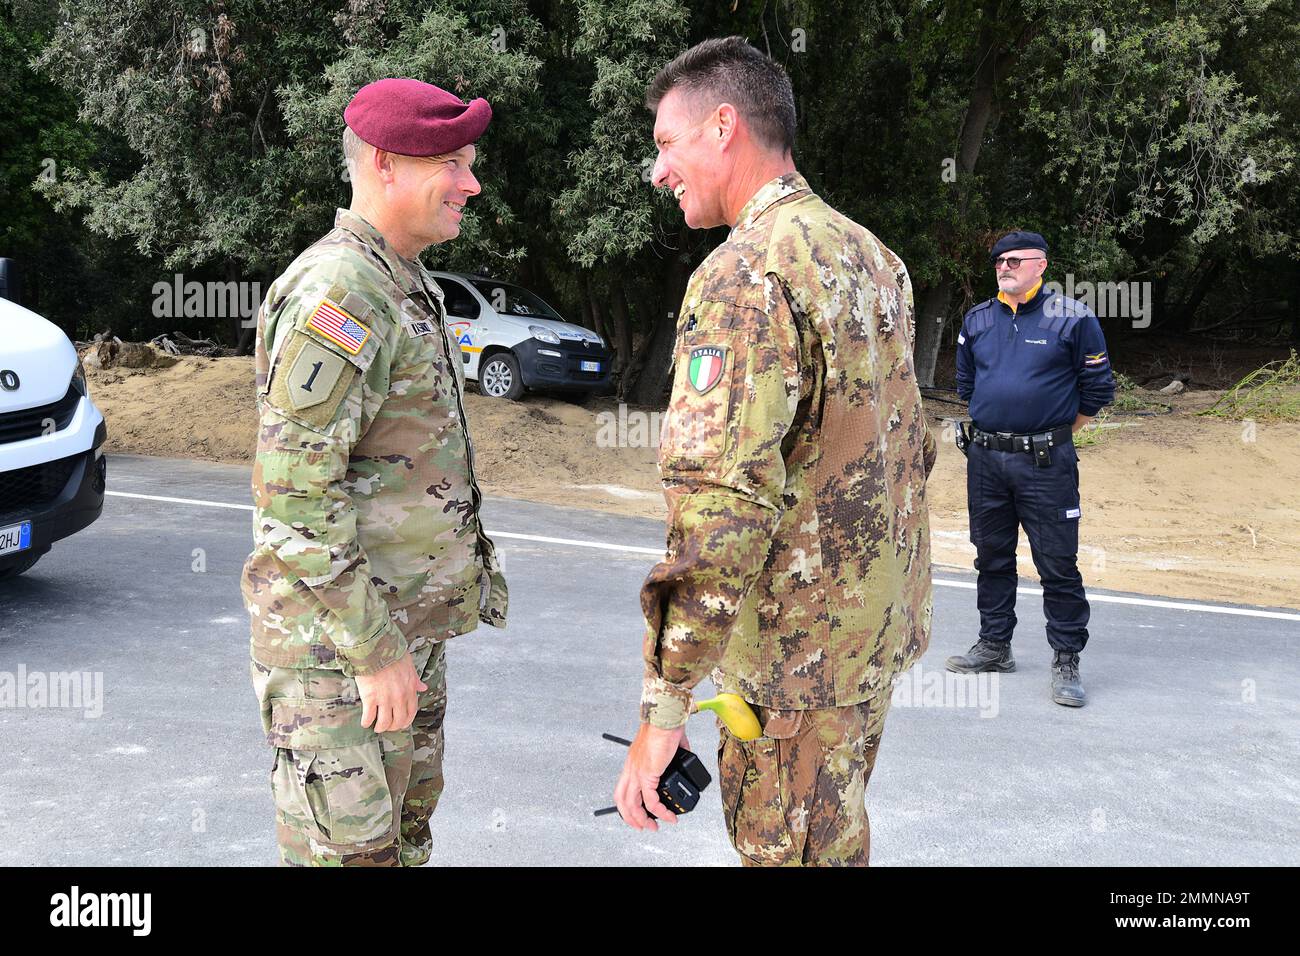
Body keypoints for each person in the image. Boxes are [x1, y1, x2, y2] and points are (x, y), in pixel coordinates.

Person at [613, 37, 935, 866]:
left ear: (723, 127)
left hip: (793, 671)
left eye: (665, 144)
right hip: (863, 649)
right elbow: (909, 456)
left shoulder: (745, 275)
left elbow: (719, 513)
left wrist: (665, 707)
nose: (660, 172)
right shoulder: (873, 257)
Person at [241, 77, 507, 866]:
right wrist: (374, 650)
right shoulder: (342, 292)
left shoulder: (404, 280)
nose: (471, 183)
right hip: (340, 659)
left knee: (401, 849)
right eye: (453, 164)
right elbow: (293, 498)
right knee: (350, 858)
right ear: (386, 163)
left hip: (399, 643)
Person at [947, 230, 1115, 707]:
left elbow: (1097, 389)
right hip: (986, 461)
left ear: (1041, 265)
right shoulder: (978, 319)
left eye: (1015, 260)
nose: (1005, 266)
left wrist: (1055, 432)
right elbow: (966, 384)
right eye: (999, 260)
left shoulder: (1073, 318)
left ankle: (1065, 657)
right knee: (991, 556)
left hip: (1046, 462)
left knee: (1057, 563)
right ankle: (995, 645)